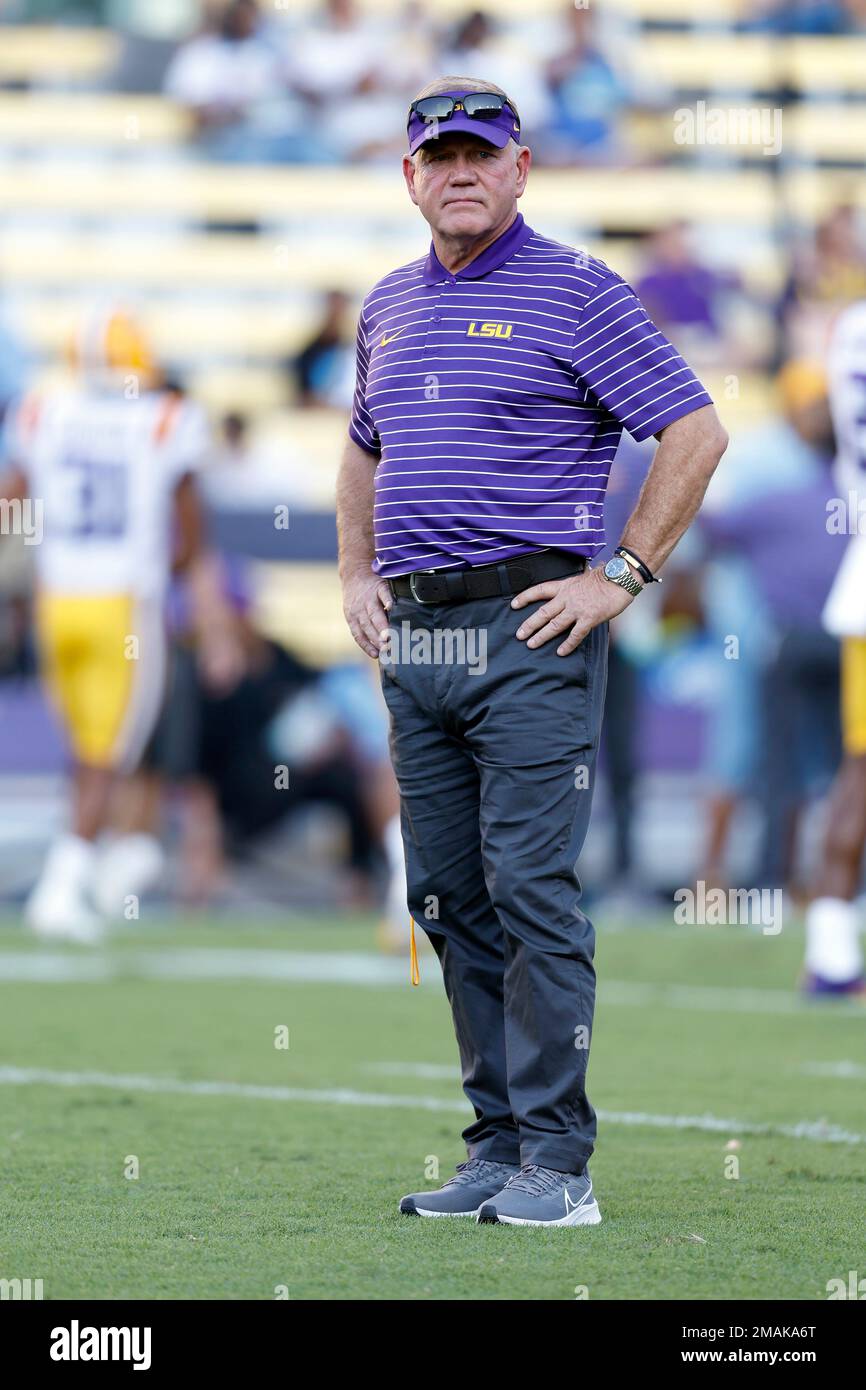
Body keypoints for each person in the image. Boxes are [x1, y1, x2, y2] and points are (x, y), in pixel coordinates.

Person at [336, 77, 728, 1226]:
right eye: (437, 156)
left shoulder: (577, 290)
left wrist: (621, 577)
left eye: (479, 154)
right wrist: (356, 574)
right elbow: (362, 449)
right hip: (418, 631)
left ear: (519, 171)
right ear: (409, 176)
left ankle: (559, 1159)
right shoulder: (387, 304)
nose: (457, 171)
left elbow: (694, 430)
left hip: (528, 626)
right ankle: (497, 1145)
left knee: (530, 887)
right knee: (448, 896)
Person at [0, 310, 231, 940]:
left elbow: (10, 505)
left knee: (87, 749)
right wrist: (171, 573)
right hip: (122, 605)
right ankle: (63, 884)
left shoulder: (44, 411)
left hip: (57, 601)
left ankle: (88, 870)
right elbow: (190, 534)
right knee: (109, 753)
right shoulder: (163, 418)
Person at [803, 300, 866, 995]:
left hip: (861, 567)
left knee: (861, 766)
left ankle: (832, 950)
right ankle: (832, 953)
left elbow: (821, 427)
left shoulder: (849, 324)